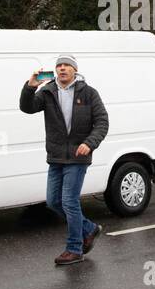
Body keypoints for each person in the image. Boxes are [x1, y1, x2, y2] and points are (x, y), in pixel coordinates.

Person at [19, 54, 110, 265]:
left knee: (69, 201)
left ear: (74, 70)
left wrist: (90, 143)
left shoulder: (88, 93)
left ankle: (74, 248)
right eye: (59, 66)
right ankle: (89, 228)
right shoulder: (48, 91)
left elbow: (102, 122)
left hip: (78, 156)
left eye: (66, 66)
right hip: (56, 156)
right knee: (53, 201)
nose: (62, 69)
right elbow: (27, 107)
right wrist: (30, 86)